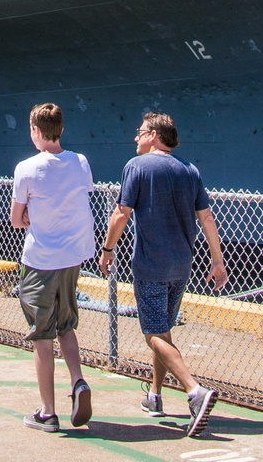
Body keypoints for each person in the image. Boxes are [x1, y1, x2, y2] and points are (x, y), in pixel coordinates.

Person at [98, 112, 227, 438]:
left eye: (140, 132)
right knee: (164, 330)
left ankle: (194, 391)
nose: (135, 138)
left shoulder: (136, 167)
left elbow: (121, 213)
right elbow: (207, 217)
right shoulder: (189, 170)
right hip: (181, 264)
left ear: (154, 135)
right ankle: (155, 396)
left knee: (152, 333)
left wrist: (107, 248)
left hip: (151, 264)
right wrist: (218, 261)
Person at [9, 103, 96, 432]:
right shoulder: (80, 162)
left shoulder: (26, 168)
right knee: (66, 325)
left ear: (35, 130)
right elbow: (77, 198)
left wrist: (32, 214)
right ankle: (78, 381)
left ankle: (48, 412)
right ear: (61, 129)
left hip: (41, 260)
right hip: (73, 257)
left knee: (42, 337)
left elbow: (16, 219)